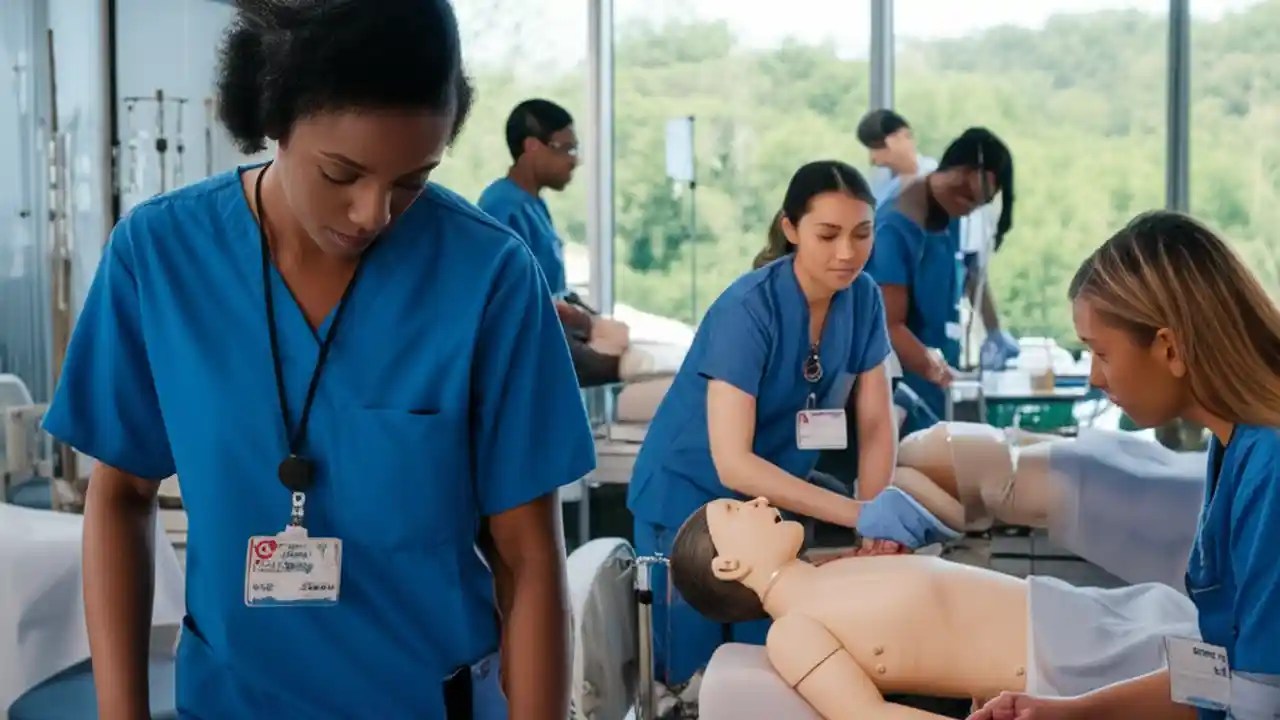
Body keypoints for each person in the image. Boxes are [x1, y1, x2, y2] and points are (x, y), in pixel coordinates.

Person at [40, 2, 595, 718]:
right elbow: (119, 497)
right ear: (273, 118)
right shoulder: (160, 258)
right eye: (342, 173)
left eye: (411, 180)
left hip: (429, 699)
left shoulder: (487, 277)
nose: (374, 214)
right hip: (230, 699)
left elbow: (529, 555)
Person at [626, 159, 959, 688]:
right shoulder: (748, 309)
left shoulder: (864, 299)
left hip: (769, 515)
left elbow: (875, 422)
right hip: (688, 507)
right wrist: (860, 512)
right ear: (790, 229)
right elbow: (734, 464)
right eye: (827, 235)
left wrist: (875, 524)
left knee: (777, 666)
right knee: (693, 683)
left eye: (862, 234)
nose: (847, 252)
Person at [970, 211, 1280, 720]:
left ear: (1170, 348)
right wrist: (1068, 712)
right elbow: (1224, 673)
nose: (1094, 377)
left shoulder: (1268, 463)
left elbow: (1258, 698)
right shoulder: (1232, 447)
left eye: (1102, 354)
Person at [671, 495, 1201, 720]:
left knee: (1220, 645)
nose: (760, 502)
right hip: (1065, 661)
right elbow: (867, 716)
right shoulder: (791, 633)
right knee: (1230, 680)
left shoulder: (829, 574)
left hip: (1072, 612)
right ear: (728, 566)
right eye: (737, 510)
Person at [865, 127, 1013, 430]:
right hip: (903, 389)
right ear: (957, 169)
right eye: (967, 197)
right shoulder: (895, 229)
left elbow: (972, 273)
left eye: (977, 205)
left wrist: (995, 332)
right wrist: (943, 375)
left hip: (937, 384)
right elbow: (889, 326)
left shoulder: (949, 217)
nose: (967, 208)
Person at [478, 98, 630, 387]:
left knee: (625, 339)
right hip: (532, 338)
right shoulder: (500, 207)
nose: (574, 159)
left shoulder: (533, 204)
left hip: (555, 326)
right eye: (566, 149)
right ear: (532, 147)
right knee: (612, 365)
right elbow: (502, 296)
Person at [855, 109, 938, 205]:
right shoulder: (879, 179)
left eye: (880, 146)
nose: (874, 158)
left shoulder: (931, 173)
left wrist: (906, 165)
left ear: (905, 135)